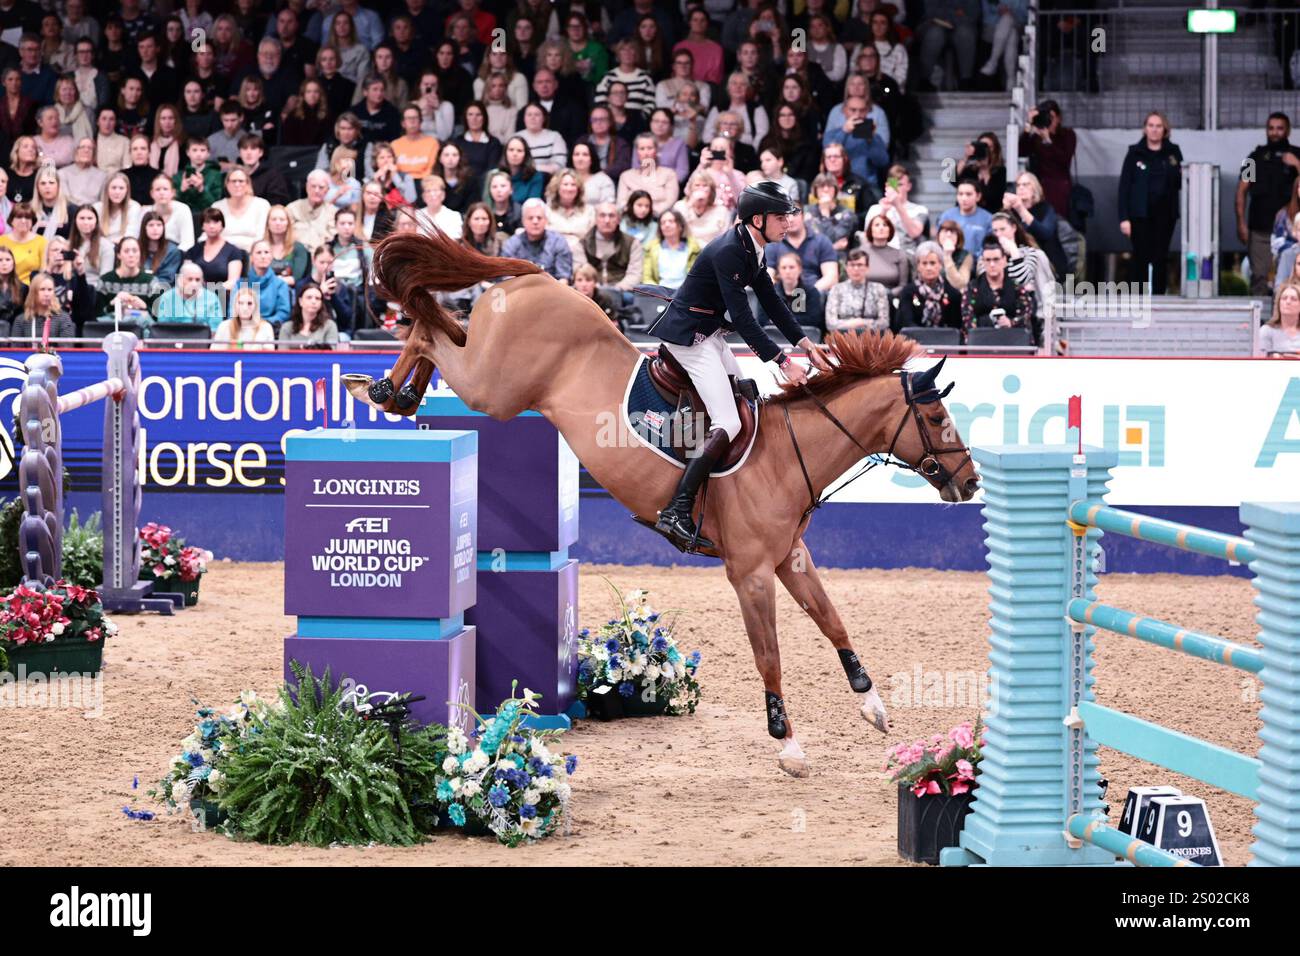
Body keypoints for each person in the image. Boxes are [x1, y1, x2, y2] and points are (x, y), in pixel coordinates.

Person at [647, 182, 827, 551]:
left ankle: (736, 490)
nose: (788, 224)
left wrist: (806, 345)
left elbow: (774, 304)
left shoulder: (753, 246)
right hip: (687, 338)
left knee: (748, 397)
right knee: (728, 422)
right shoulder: (731, 251)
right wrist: (782, 362)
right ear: (758, 219)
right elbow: (745, 320)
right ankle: (676, 510)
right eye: (781, 217)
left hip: (708, 333)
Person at [1238, 113, 1300, 298]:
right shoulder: (1253, 157)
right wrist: (1241, 223)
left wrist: (1297, 163)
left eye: (1279, 128)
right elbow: (1241, 190)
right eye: (1271, 128)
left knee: (1292, 277)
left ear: (1287, 130)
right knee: (1259, 277)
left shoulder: (1297, 154)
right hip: (1260, 228)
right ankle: (1260, 323)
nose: (1275, 132)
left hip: (1292, 230)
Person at [986, 211, 1054, 343]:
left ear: (1014, 228)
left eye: (1002, 229)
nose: (999, 234)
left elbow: (1021, 281)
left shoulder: (1032, 254)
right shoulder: (987, 256)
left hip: (1026, 319)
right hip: (993, 319)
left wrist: (1014, 253)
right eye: (995, 230)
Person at [961, 236, 1035, 337]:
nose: (992, 264)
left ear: (1004, 260)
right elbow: (967, 318)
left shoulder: (1016, 287)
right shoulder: (973, 287)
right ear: (983, 261)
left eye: (996, 259)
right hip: (981, 340)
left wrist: (1011, 322)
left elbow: (1026, 314)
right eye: (988, 260)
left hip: (1013, 340)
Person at [1003, 171, 1068, 281]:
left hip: (1047, 263)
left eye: (1026, 184)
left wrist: (1021, 209)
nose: (1021, 188)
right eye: (1018, 185)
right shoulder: (1012, 213)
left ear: (1035, 189)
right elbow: (999, 231)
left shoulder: (1046, 209)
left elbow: (1045, 233)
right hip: (1020, 262)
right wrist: (1005, 209)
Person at [1019, 99, 1077, 223]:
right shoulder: (1036, 137)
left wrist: (1048, 140)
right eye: (1046, 117)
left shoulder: (1067, 135)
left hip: (1059, 186)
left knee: (1058, 221)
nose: (1049, 121)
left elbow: (1064, 160)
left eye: (1051, 117)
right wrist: (1029, 125)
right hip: (1040, 185)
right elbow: (1021, 151)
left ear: (1059, 118)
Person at [575, 201, 644, 302]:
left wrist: (617, 289)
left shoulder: (632, 243)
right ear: (596, 219)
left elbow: (635, 274)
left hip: (622, 291)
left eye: (611, 216)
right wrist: (595, 288)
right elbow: (580, 271)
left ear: (618, 220)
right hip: (590, 292)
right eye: (602, 215)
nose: (607, 220)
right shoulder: (582, 243)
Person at [763, 206, 838, 294]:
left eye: (795, 214)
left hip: (815, 293)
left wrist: (809, 293)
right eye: (786, 216)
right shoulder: (774, 243)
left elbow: (831, 277)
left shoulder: (822, 241)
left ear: (803, 216)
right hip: (782, 296)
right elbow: (768, 276)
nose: (790, 219)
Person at [822, 95, 889, 194]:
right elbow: (828, 155)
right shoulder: (831, 135)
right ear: (845, 111)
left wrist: (871, 139)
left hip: (867, 186)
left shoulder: (874, 137)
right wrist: (844, 131)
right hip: (835, 185)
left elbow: (883, 162)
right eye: (853, 110)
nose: (857, 114)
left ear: (867, 112)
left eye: (862, 110)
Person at [896, 241, 964, 333]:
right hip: (915, 342)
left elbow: (955, 327)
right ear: (918, 266)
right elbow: (907, 323)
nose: (928, 268)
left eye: (932, 263)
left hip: (945, 342)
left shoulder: (953, 294)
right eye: (924, 263)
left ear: (940, 265)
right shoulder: (908, 293)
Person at [863, 166, 929, 258]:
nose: (896, 188)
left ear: (908, 186)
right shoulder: (875, 209)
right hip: (880, 257)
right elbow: (868, 238)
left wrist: (898, 205)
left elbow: (914, 232)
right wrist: (884, 212)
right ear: (886, 186)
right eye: (893, 184)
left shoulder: (919, 209)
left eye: (900, 184)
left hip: (908, 257)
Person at [502, 198, 573, 282]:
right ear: (523, 221)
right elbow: (507, 279)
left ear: (546, 220)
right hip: (521, 291)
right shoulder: (511, 244)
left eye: (539, 218)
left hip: (553, 291)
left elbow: (563, 279)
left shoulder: (558, 242)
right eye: (530, 218)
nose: (535, 221)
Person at [96, 235, 163, 320]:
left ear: (140, 253)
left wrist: (144, 307)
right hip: (113, 329)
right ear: (118, 255)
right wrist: (113, 304)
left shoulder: (151, 282)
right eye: (126, 251)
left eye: (135, 251)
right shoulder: (105, 281)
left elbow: (158, 319)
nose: (131, 255)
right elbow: (97, 316)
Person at [618, 134, 680, 217]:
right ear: (637, 152)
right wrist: (636, 213)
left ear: (656, 150)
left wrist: (649, 212)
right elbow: (621, 203)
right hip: (631, 217)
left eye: (650, 148)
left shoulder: (669, 174)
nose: (646, 153)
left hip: (660, 218)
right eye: (642, 149)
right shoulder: (625, 176)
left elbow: (670, 201)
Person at [184, 207, 244, 290]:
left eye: (216, 222)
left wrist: (210, 291)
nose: (211, 226)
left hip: (222, 296)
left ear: (222, 225)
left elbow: (233, 282)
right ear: (202, 226)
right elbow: (185, 277)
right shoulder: (193, 250)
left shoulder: (233, 251)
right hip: (195, 296)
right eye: (207, 222)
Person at [154, 260, 224, 331]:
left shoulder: (211, 298)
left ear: (202, 281)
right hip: (174, 338)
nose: (194, 284)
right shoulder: (167, 297)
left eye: (197, 280)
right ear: (180, 279)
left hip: (203, 340)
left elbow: (215, 329)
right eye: (190, 279)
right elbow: (163, 327)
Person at [239, 239, 292, 328]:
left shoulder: (280, 284)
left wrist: (264, 324)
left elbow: (283, 312)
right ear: (251, 257)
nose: (263, 256)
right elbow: (232, 312)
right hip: (243, 327)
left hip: (270, 328)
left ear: (271, 257)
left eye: (266, 252)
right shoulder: (241, 284)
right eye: (259, 253)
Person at [642, 209, 699, 290]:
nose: (667, 225)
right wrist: (658, 291)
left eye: (671, 221)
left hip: (686, 294)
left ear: (680, 225)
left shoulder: (693, 248)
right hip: (659, 294)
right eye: (663, 222)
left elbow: (697, 279)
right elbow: (647, 278)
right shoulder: (651, 248)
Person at [768, 249, 824, 331]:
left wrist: (779, 320)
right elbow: (763, 320)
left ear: (800, 269)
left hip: (805, 335)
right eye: (784, 268)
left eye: (792, 267)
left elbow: (813, 320)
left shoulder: (811, 292)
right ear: (778, 270)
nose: (787, 271)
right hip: (776, 335)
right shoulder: (770, 292)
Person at [11, 271, 75, 341]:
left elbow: (66, 349)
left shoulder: (64, 319)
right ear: (33, 292)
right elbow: (16, 350)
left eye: (50, 290)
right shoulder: (20, 320)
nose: (46, 294)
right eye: (42, 289)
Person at [545, 169, 595, 257]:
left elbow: (591, 238)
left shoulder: (589, 210)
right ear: (557, 187)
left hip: (582, 255)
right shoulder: (546, 210)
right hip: (553, 254)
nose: (569, 188)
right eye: (565, 184)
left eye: (573, 185)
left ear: (578, 188)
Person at [862, 213, 910, 301]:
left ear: (890, 230)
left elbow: (903, 285)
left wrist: (889, 294)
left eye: (885, 225)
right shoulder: (861, 253)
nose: (881, 228)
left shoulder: (899, 254)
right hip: (864, 297)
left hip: (891, 299)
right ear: (870, 230)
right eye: (877, 225)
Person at [672, 173, 732, 245]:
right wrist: (690, 203)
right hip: (686, 249)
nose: (701, 189)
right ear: (690, 189)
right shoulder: (680, 206)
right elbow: (676, 230)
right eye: (697, 185)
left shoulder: (722, 210)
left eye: (705, 186)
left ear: (711, 191)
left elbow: (726, 237)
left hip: (712, 250)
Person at [288, 170, 339, 252]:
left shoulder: (334, 213)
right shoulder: (292, 209)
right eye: (313, 186)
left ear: (327, 190)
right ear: (307, 187)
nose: (316, 190)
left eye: (321, 187)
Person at [804, 173, 857, 252]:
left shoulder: (847, 214)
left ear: (835, 189)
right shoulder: (806, 211)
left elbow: (831, 239)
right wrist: (834, 247)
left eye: (829, 186)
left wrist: (825, 212)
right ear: (815, 190)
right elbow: (807, 242)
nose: (826, 189)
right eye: (821, 186)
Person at [956, 132, 1007, 214]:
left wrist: (986, 170)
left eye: (988, 147)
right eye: (982, 146)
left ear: (995, 150)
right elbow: (951, 179)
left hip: (991, 215)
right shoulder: (970, 171)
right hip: (966, 214)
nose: (985, 150)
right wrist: (966, 157)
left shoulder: (1001, 172)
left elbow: (994, 196)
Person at [213, 283, 276, 349]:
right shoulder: (224, 326)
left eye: (249, 303)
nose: (245, 308)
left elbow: (268, 357)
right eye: (240, 303)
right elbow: (214, 355)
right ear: (235, 306)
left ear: (256, 306)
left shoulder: (265, 328)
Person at [940, 178, 995, 254]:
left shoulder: (988, 219)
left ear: (978, 196)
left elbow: (991, 245)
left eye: (968, 194)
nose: (964, 198)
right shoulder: (947, 216)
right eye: (960, 194)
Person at [142, 174, 195, 252]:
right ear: (152, 194)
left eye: (165, 189)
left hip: (176, 254)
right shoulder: (145, 212)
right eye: (158, 189)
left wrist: (171, 256)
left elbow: (188, 243)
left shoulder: (183, 209)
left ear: (172, 192)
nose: (161, 193)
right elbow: (140, 241)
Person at [673, 8, 724, 87]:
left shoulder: (716, 48)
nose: (699, 23)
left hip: (709, 87)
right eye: (695, 20)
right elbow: (676, 72)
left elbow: (716, 76)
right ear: (689, 23)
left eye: (702, 20)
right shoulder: (679, 46)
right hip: (682, 87)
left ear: (707, 23)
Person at [279, 282, 339, 348]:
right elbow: (282, 355)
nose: (313, 301)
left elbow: (332, 355)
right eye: (309, 297)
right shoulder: (287, 327)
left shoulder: (329, 326)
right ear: (300, 301)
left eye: (317, 298)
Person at [264, 204, 311, 286]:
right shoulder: (261, 247)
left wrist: (272, 282)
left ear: (288, 224)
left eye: (282, 220)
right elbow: (255, 275)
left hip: (290, 291)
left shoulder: (298, 248)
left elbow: (296, 278)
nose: (277, 223)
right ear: (268, 224)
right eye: (274, 219)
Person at [392, 104, 440, 182]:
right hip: (401, 184)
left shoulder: (432, 143)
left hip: (424, 183)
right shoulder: (394, 145)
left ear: (421, 121)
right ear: (403, 123)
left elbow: (431, 170)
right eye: (408, 118)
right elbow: (394, 171)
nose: (412, 121)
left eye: (415, 118)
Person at [0, 203, 45, 283]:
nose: (23, 221)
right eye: (19, 217)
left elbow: (44, 271)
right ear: (11, 221)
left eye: (28, 218)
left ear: (32, 221)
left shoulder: (41, 242)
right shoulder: (2, 241)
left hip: (31, 289)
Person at [71, 204, 113, 284]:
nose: (86, 222)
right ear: (75, 220)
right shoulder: (68, 244)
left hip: (95, 290)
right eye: (82, 218)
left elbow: (105, 278)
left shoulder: (106, 245)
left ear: (96, 221)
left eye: (90, 218)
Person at [138, 210, 182, 286]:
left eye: (159, 225)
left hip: (160, 292)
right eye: (151, 225)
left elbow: (166, 279)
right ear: (144, 228)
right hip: (136, 288)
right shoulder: (136, 247)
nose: (155, 229)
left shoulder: (172, 250)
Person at [59, 138, 106, 208]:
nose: (86, 150)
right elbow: (65, 199)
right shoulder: (62, 173)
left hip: (95, 212)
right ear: (75, 151)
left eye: (90, 148)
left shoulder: (103, 176)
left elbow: (103, 202)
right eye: (82, 147)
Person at [570, 141, 616, 208]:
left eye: (585, 155)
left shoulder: (603, 180)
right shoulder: (562, 178)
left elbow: (608, 206)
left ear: (592, 159)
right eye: (576, 154)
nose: (580, 159)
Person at [1260, 283, 1300, 355]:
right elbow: (1261, 360)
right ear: (1278, 304)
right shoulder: (1266, 331)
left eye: (1293, 299)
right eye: (1284, 298)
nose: (1288, 302)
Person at [485, 169, 522, 235]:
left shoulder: (519, 212)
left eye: (503, 186)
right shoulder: (485, 212)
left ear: (511, 189)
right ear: (489, 190)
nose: (499, 190)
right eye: (494, 187)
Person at [0, 246, 26, 333]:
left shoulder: (23, 288)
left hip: (15, 330)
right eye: (0, 260)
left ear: (13, 263)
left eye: (8, 260)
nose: (4, 263)